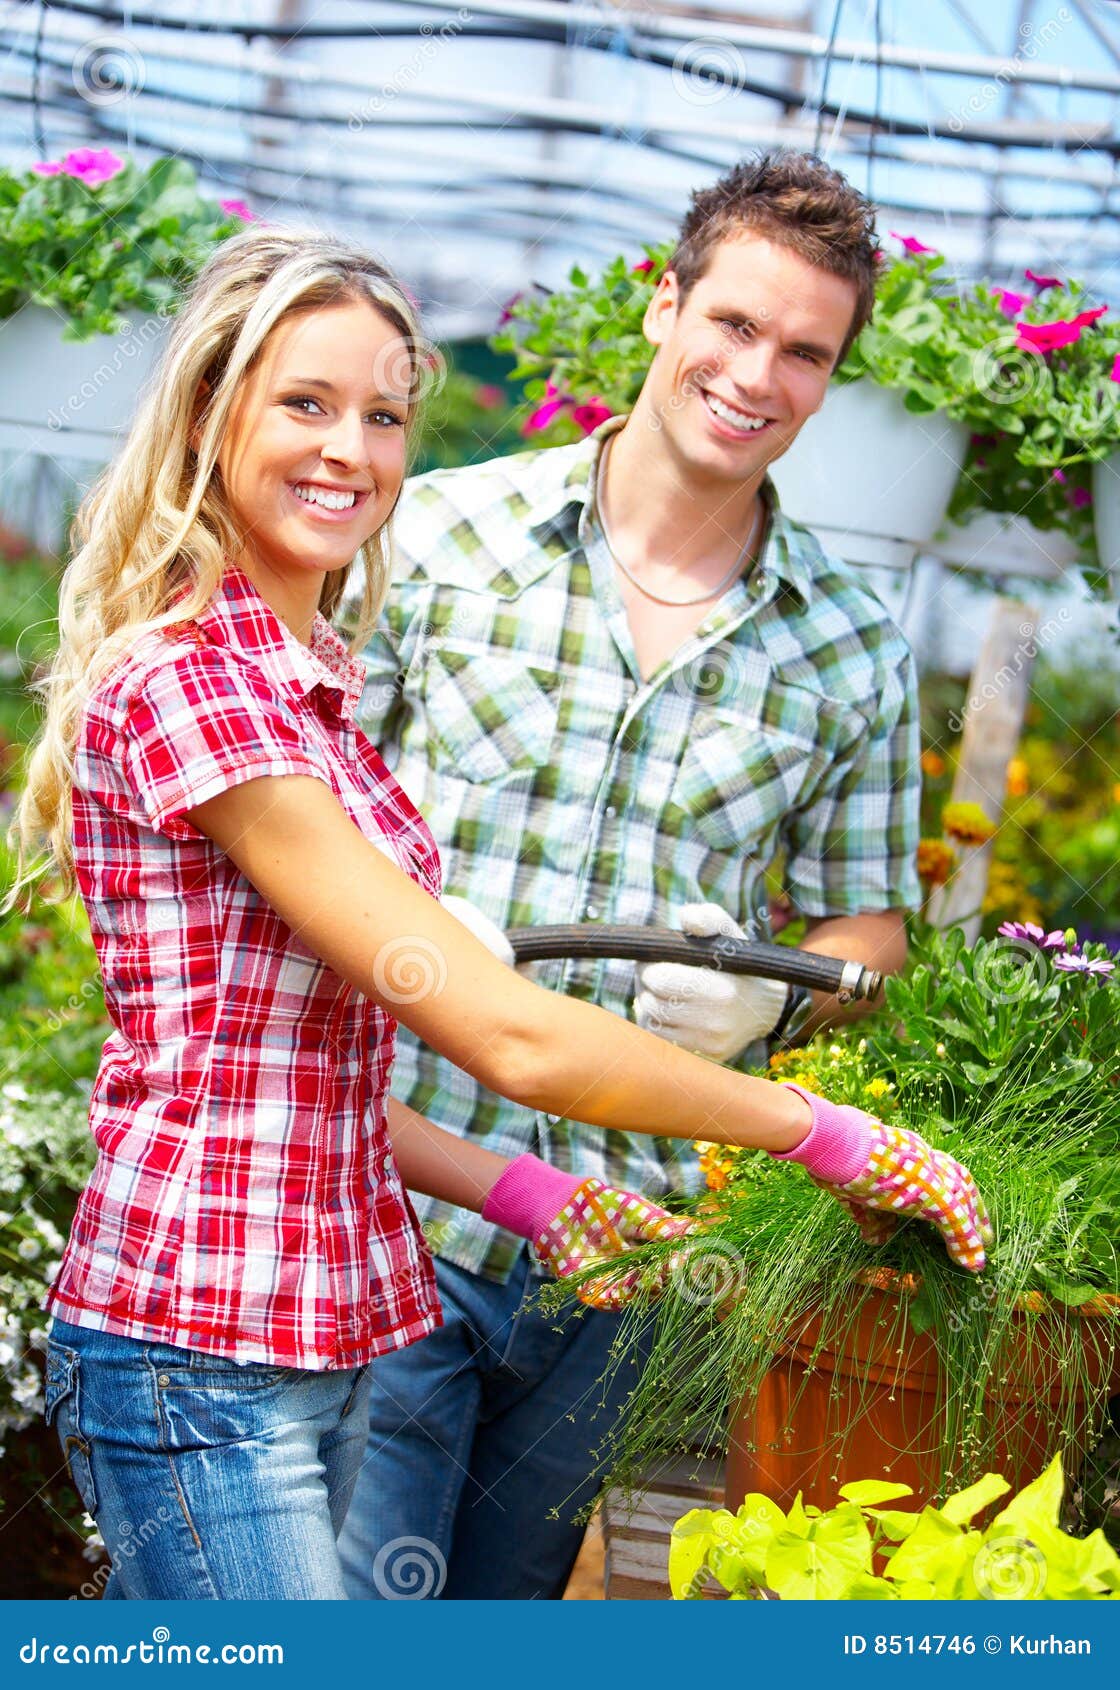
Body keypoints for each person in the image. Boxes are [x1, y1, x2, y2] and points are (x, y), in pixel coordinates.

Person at [9, 226, 987, 1601]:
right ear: (212, 405)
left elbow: (311, 1068)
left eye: (384, 415)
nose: (351, 450)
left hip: (321, 1318)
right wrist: (824, 1131)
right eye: (305, 403)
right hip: (203, 1337)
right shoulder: (201, 684)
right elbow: (510, 1041)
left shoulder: (313, 686)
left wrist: (530, 1189)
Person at [339, 150, 931, 1600]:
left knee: (501, 1611)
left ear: (831, 378)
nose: (757, 373)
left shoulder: (854, 653)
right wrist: (406, 916)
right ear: (665, 309)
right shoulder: (437, 539)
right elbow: (302, 826)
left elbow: (872, 936)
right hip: (394, 1197)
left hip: (626, 1263)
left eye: (805, 352)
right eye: (733, 323)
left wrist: (775, 1022)